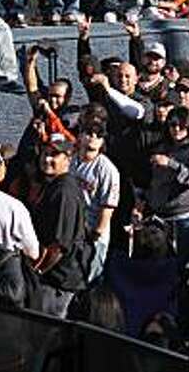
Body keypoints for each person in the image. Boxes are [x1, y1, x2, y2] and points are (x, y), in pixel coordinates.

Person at [27, 133, 90, 317]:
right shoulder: (53, 185)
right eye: (45, 153)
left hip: (57, 284)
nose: (47, 159)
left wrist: (38, 272)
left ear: (68, 159)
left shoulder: (64, 191)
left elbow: (59, 246)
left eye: (54, 155)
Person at [70, 121, 120, 282]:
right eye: (88, 133)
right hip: (71, 230)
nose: (93, 138)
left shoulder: (107, 169)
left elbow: (108, 208)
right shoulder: (71, 160)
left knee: (91, 278)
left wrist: (96, 234)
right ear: (80, 136)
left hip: (92, 234)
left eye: (98, 135)